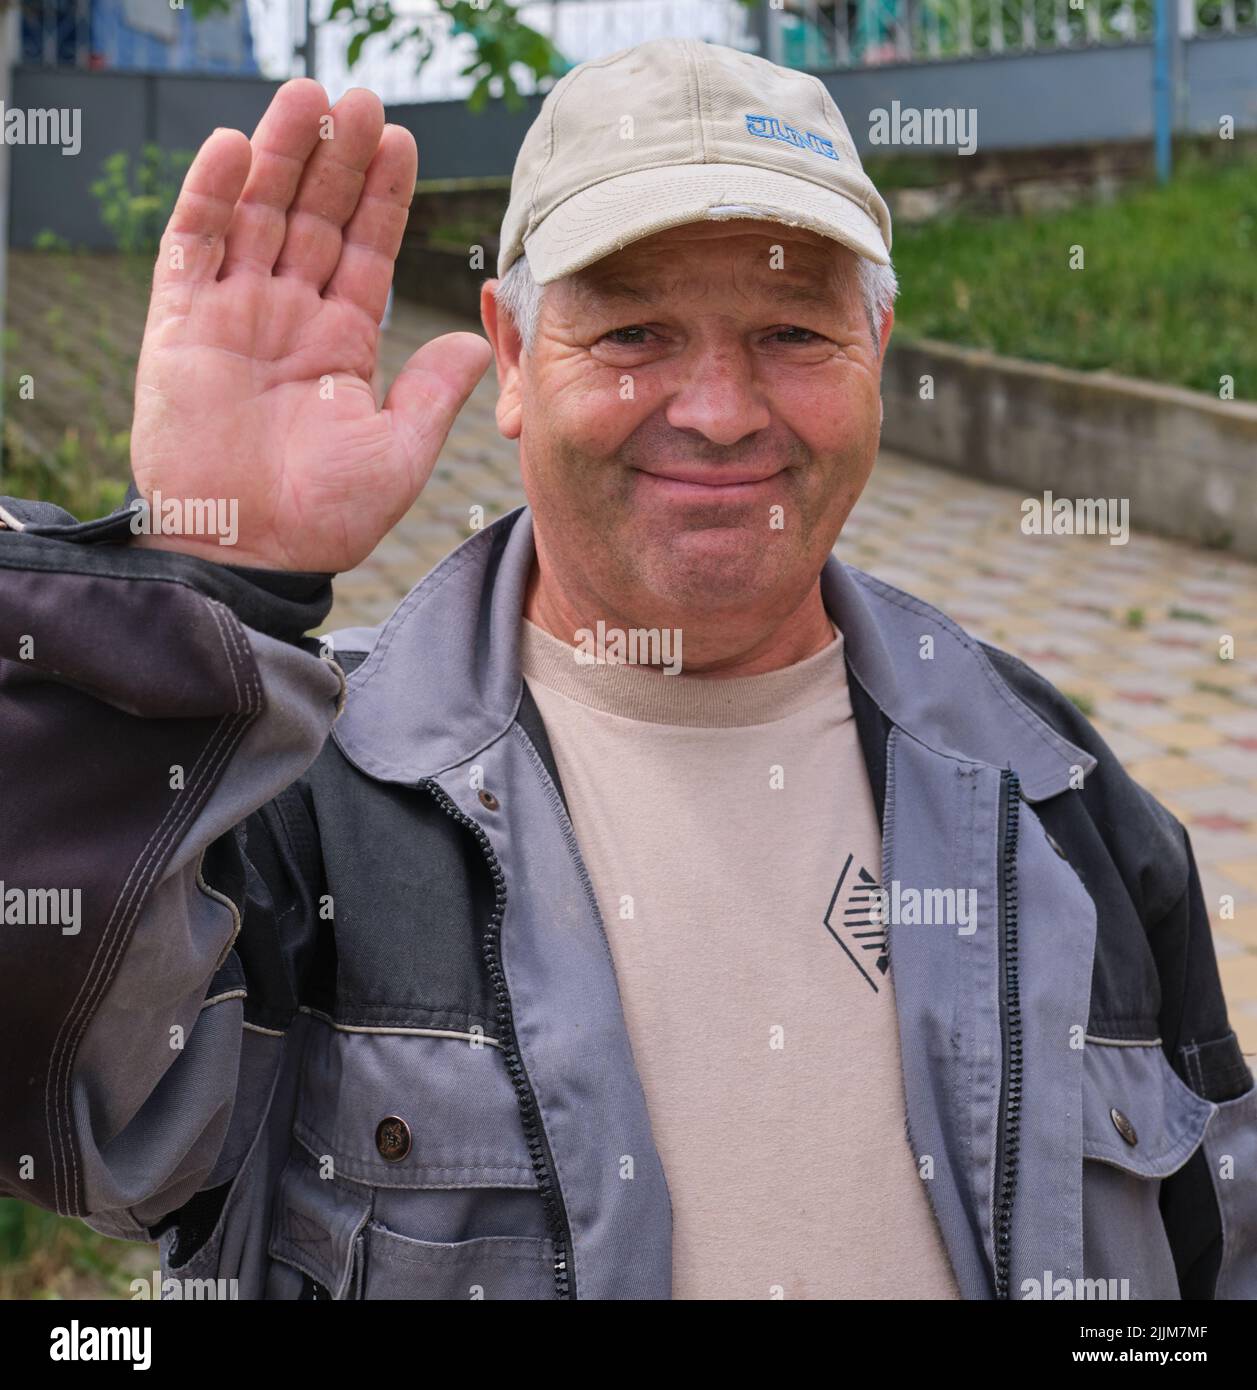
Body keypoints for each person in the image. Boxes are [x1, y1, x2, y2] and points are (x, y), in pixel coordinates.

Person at [0, 38, 1252, 1301]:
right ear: (509, 349)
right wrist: (206, 589)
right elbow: (59, 1106)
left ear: (877, 348)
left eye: (791, 331)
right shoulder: (308, 794)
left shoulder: (1053, 791)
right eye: (635, 329)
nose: (717, 409)